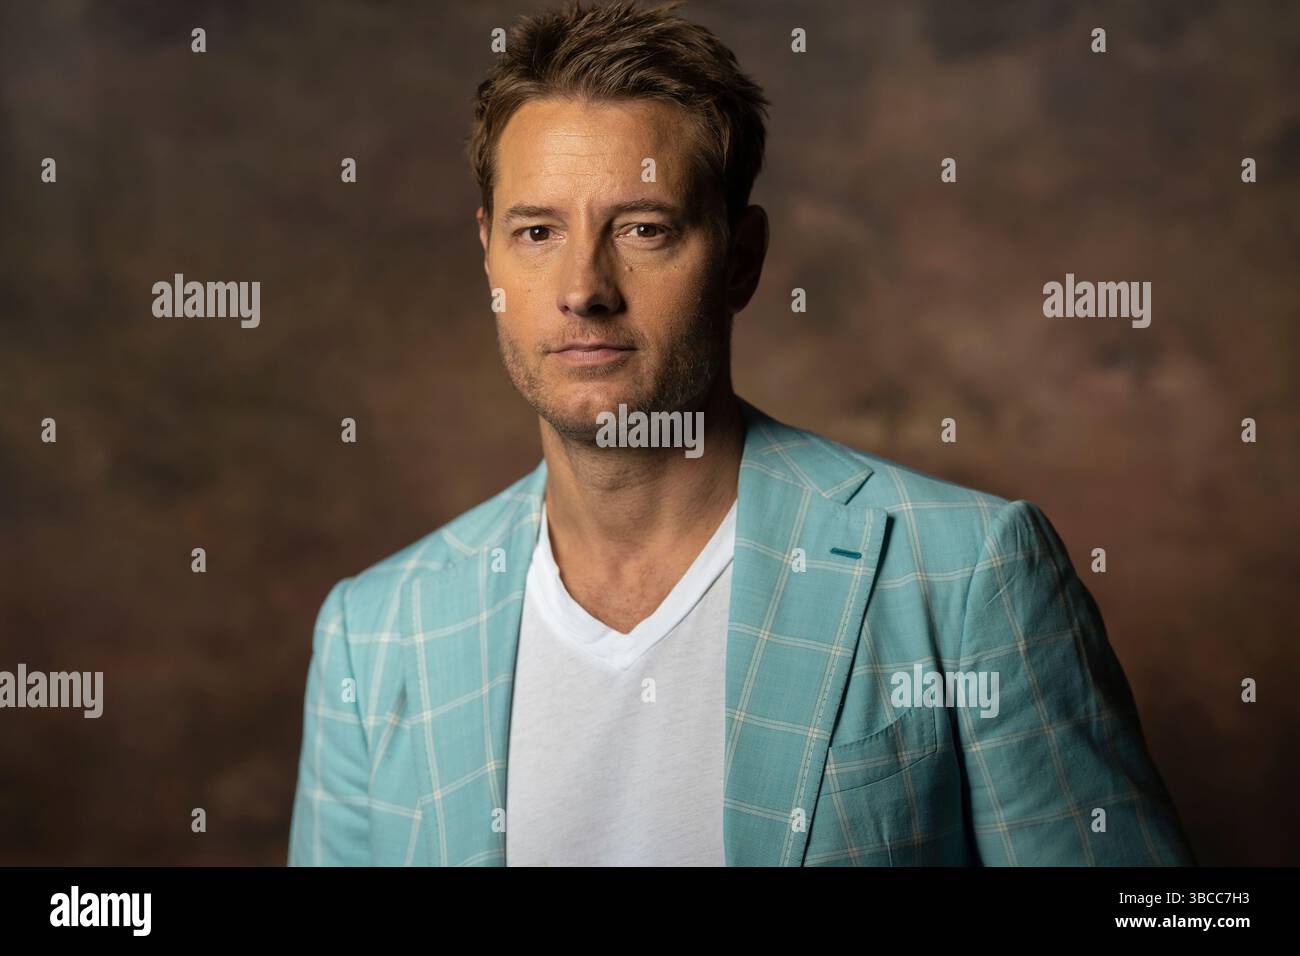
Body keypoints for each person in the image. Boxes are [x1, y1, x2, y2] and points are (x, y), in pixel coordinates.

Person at [288, 0, 1194, 866]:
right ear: (488, 251)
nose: (582, 287)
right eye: (537, 231)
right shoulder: (375, 634)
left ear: (742, 259)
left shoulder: (966, 577)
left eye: (642, 228)